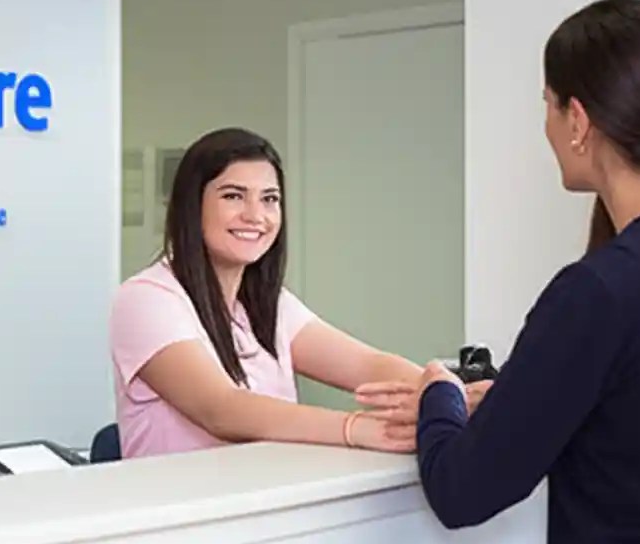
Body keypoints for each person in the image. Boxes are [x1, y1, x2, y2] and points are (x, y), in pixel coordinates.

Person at [360, 0, 640, 544]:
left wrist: (439, 392)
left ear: (578, 119)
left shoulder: (600, 291)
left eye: (547, 103)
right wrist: (516, 396)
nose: (545, 125)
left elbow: (463, 490)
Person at [108, 127, 488, 459]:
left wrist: (445, 392)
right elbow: (221, 408)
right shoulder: (147, 299)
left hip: (270, 499)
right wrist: (353, 428)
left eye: (269, 199)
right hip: (183, 512)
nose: (255, 215)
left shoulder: (266, 303)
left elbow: (366, 365)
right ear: (192, 207)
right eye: (233, 196)